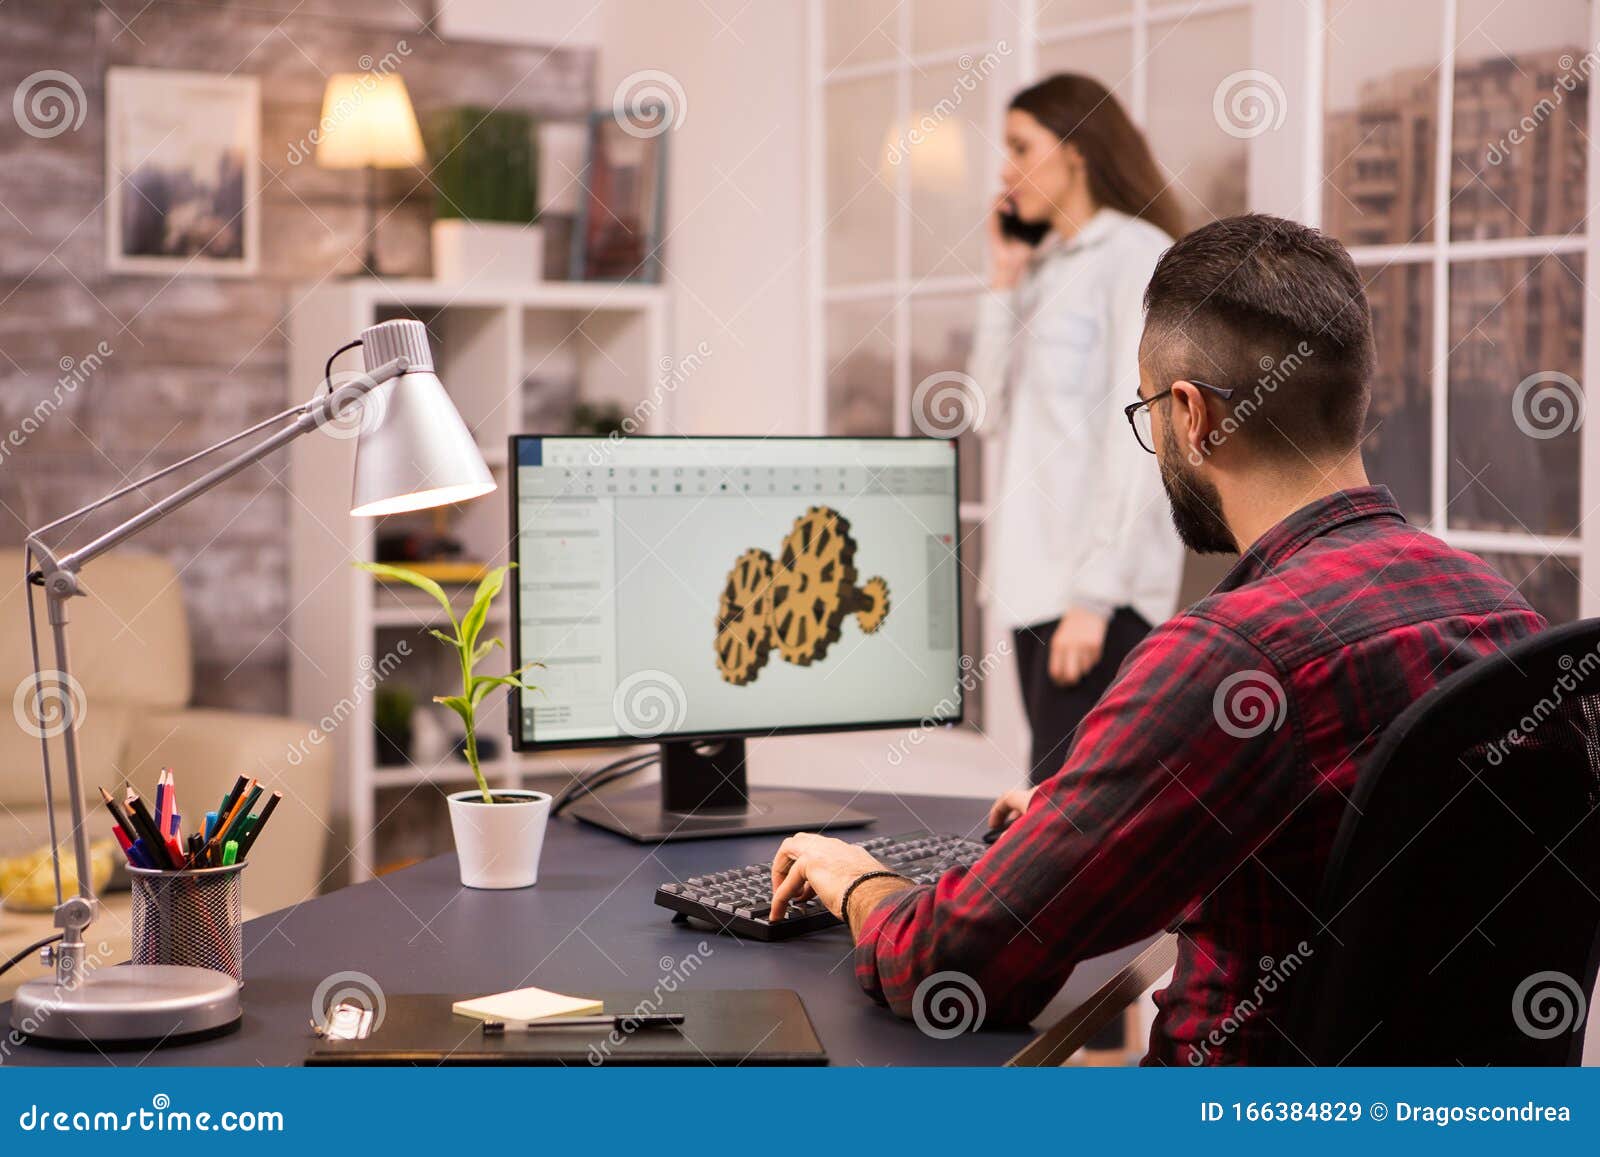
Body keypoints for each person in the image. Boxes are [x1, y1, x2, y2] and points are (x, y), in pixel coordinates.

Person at [769, 214, 1547, 1065]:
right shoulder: (1500, 615)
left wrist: (859, 885)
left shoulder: (1232, 656)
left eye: (1147, 409)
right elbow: (1351, 869)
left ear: (1193, 414)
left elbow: (956, 966)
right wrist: (1095, 820)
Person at [971, 74, 1188, 786]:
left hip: (1099, 596)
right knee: (1059, 808)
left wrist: (1093, 600)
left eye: (1019, 147)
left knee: (1067, 827)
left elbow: (1146, 435)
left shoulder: (1137, 257)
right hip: (1033, 587)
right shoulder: (1039, 272)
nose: (1004, 168)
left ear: (1077, 151)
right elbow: (981, 412)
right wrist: (1004, 278)